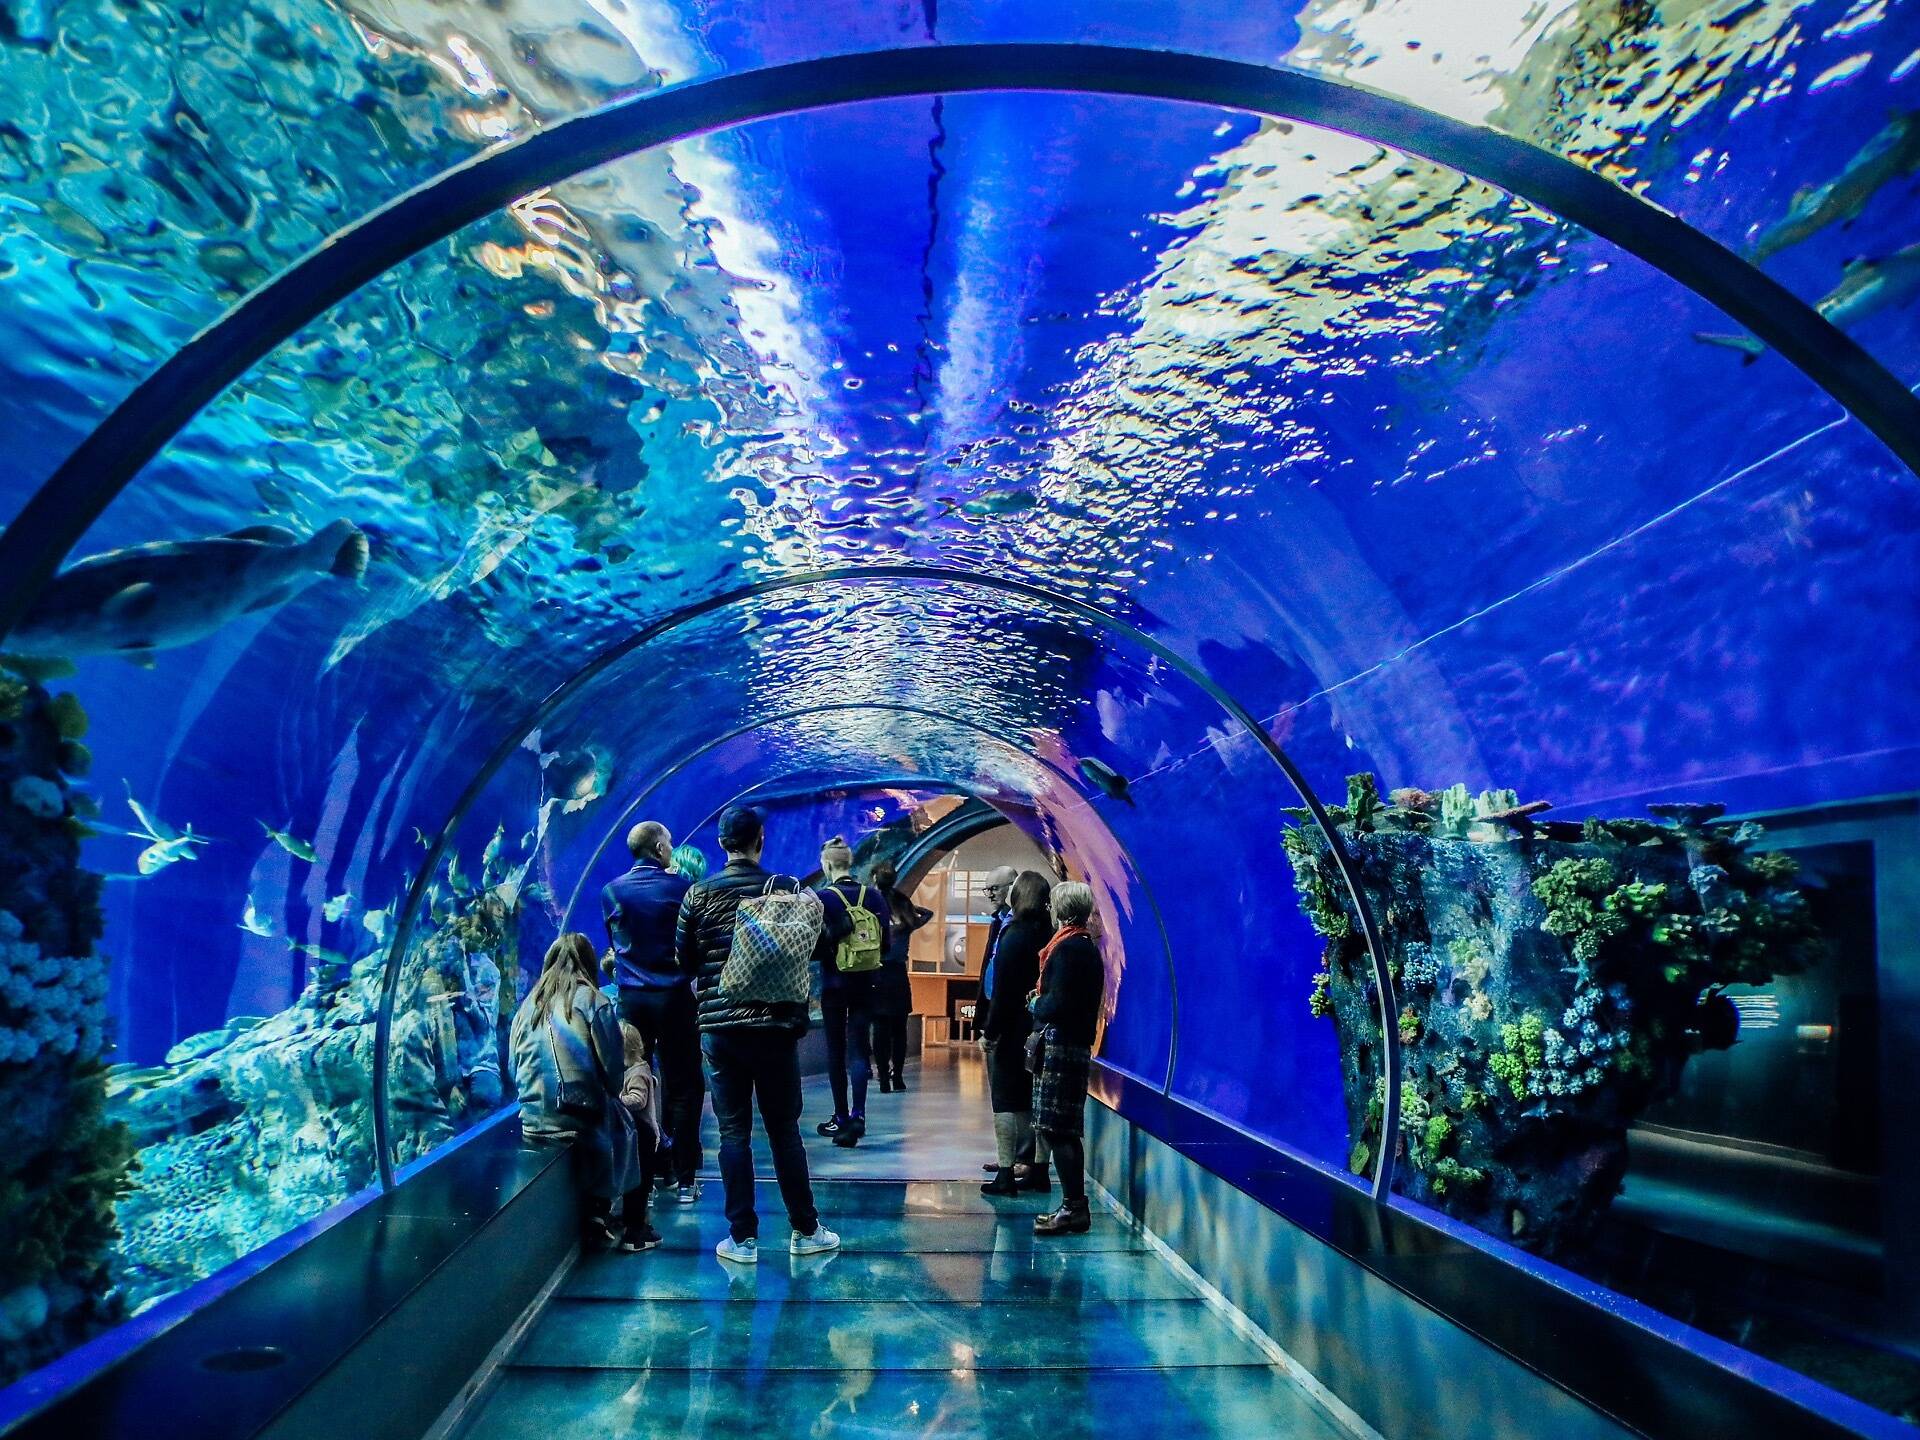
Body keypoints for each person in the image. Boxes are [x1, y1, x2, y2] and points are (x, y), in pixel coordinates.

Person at [676, 805, 841, 1265]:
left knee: (733, 1133)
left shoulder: (699, 895)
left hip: (721, 1030)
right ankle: (805, 1230)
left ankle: (742, 1238)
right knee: (784, 1130)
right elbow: (820, 947)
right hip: (774, 1028)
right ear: (761, 840)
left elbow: (684, 961)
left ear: (722, 843)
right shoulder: (787, 890)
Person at [511, 933, 650, 1251]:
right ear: (589, 964)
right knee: (639, 1129)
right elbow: (614, 1073)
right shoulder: (595, 1002)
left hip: (530, 1120)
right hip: (576, 1121)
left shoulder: (526, 1007)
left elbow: (510, 1068)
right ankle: (626, 1222)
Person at [602, 820, 703, 1204]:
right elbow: (691, 941)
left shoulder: (611, 891)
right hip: (675, 997)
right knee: (685, 1084)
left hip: (632, 1001)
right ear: (660, 849)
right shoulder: (682, 887)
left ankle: (644, 1175)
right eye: (670, 845)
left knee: (635, 1079)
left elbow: (616, 944)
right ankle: (685, 1176)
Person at [1029, 882, 1106, 1236]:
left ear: (1060, 910)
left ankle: (1074, 1208)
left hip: (1063, 1047)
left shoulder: (1068, 949)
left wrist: (1035, 1004)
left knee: (1060, 1129)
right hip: (1072, 1044)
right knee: (1060, 1129)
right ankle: (1071, 1207)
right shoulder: (1083, 947)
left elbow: (1058, 1004)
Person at [979, 871, 1054, 1196]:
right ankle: (1039, 1170)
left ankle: (1006, 1173)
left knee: (1005, 1103)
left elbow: (1004, 992)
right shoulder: (1050, 935)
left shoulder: (1014, 936)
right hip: (1040, 1031)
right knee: (1034, 1102)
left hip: (1011, 1033)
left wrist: (990, 1032)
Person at [812, 836, 887, 1147]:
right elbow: (887, 944)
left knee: (835, 1049)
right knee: (859, 1049)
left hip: (834, 983)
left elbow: (814, 947)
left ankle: (840, 1117)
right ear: (850, 862)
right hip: (866, 982)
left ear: (827, 864)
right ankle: (859, 1114)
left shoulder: (822, 899)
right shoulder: (874, 897)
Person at [869, 862, 931, 1093]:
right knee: (899, 1030)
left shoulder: (872, 904)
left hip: (876, 972)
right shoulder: (903, 905)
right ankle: (898, 1077)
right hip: (898, 975)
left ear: (875, 878)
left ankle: (883, 1077)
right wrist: (912, 908)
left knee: (880, 1029)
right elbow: (926, 915)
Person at [617, 1022, 664, 1250]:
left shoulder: (638, 1072)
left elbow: (638, 1100)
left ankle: (634, 1233)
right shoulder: (633, 1070)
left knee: (639, 1184)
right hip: (637, 1137)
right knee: (636, 1183)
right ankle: (634, 1224)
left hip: (642, 1137)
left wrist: (616, 1099)